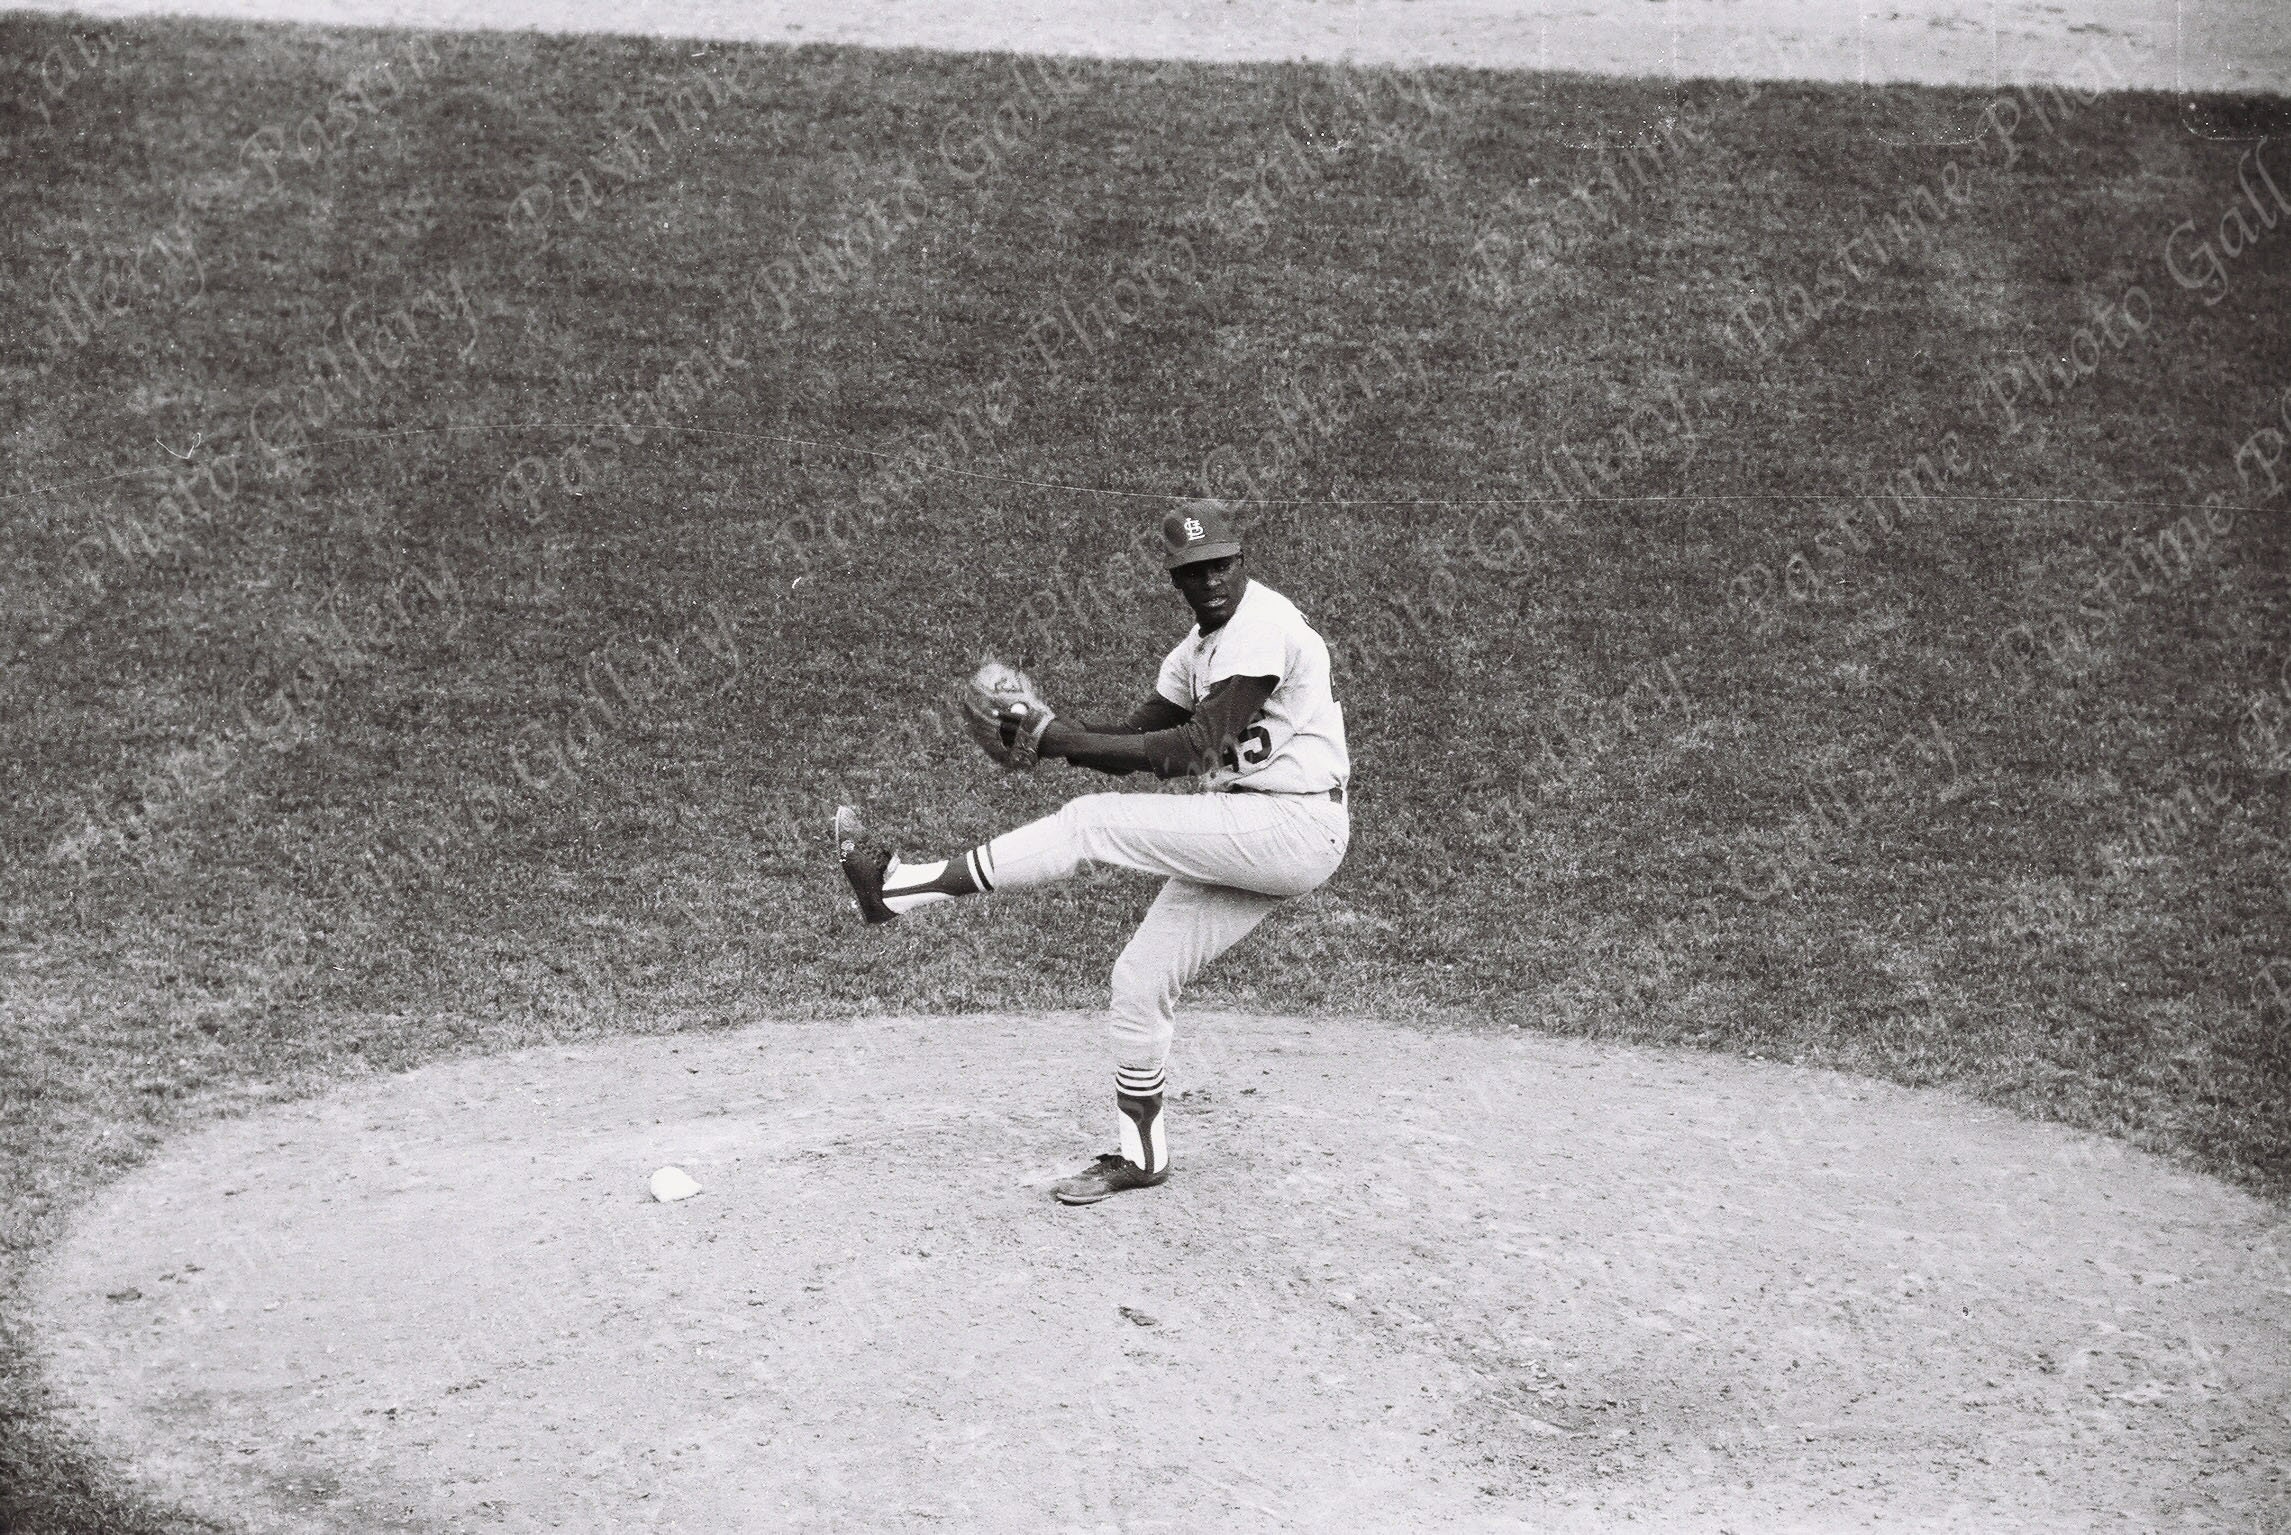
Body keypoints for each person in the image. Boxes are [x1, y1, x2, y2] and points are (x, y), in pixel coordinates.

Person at [835, 500, 1351, 1204]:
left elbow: (1193, 747)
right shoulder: (1193, 653)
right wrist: (1044, 730)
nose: (1210, 582)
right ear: (1174, 579)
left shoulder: (1264, 625)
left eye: (1220, 565)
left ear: (1241, 560)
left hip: (1294, 825)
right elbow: (1136, 738)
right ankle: (1142, 1157)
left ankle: (898, 889)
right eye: (1193, 572)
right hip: (1251, 830)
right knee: (1138, 980)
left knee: (1089, 824)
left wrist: (1055, 739)